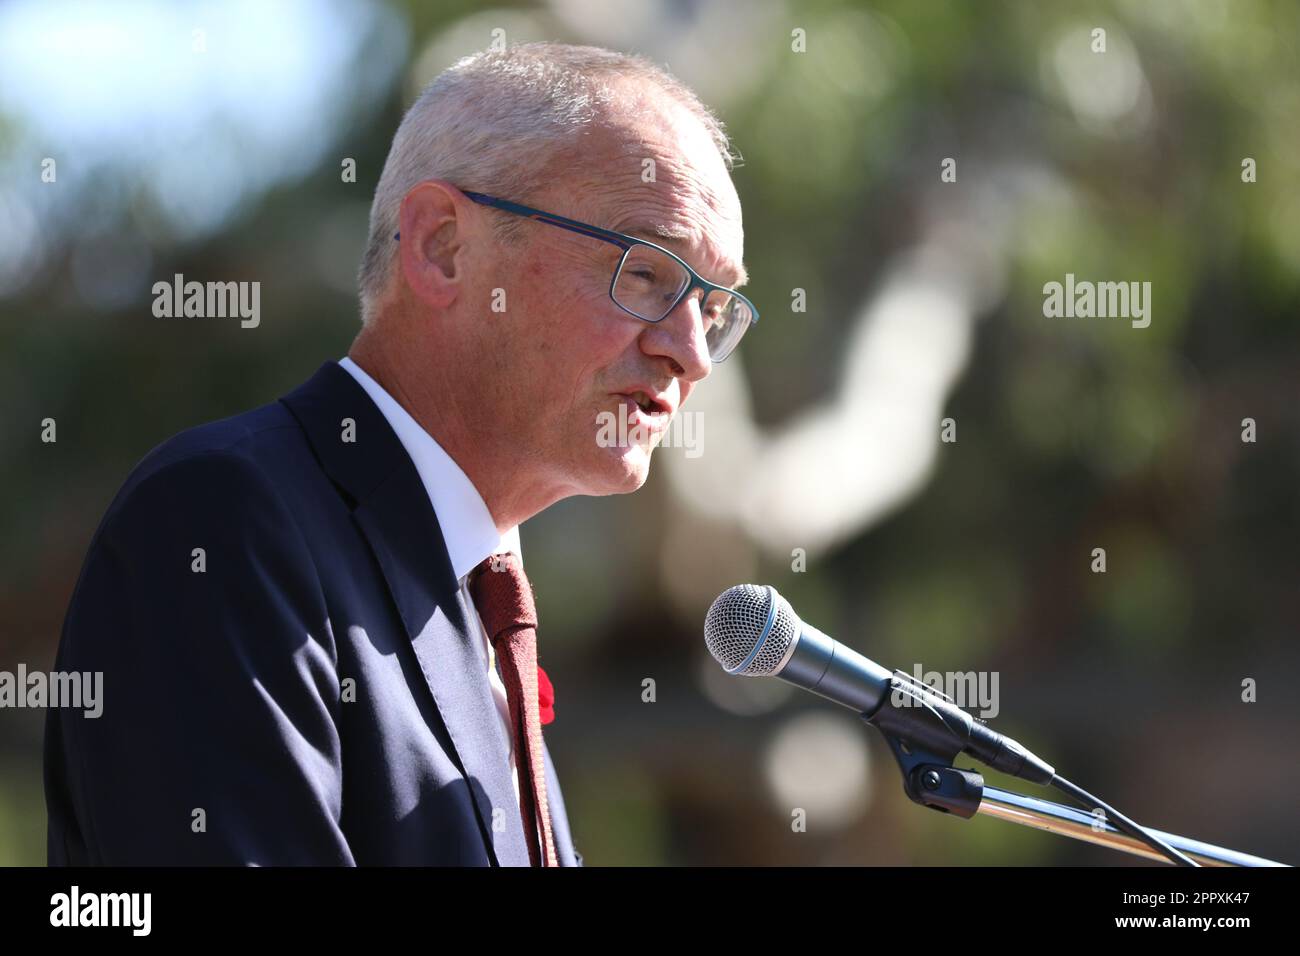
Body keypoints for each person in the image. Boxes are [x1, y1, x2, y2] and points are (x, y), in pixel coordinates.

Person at [45, 41, 755, 866]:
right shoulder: (222, 523)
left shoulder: (484, 610)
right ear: (443, 246)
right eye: (646, 272)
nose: (692, 352)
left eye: (713, 307)